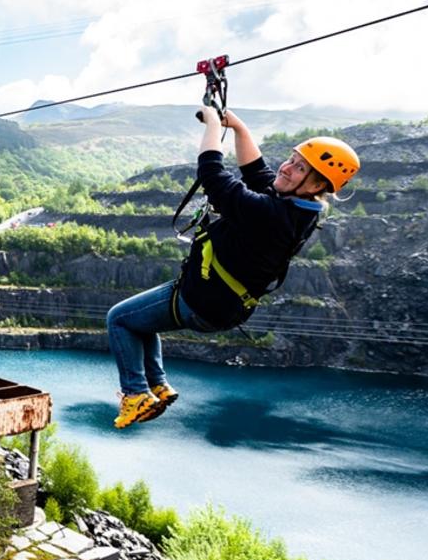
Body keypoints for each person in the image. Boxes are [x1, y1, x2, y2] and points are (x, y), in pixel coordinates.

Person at [106, 106, 361, 429]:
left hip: (201, 300)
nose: (287, 168)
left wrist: (212, 125)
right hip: (224, 304)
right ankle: (157, 385)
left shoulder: (273, 215)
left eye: (299, 169)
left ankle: (136, 394)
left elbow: (213, 176)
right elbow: (258, 172)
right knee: (141, 322)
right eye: (292, 159)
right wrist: (238, 128)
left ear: (315, 185)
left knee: (119, 319)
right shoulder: (299, 209)